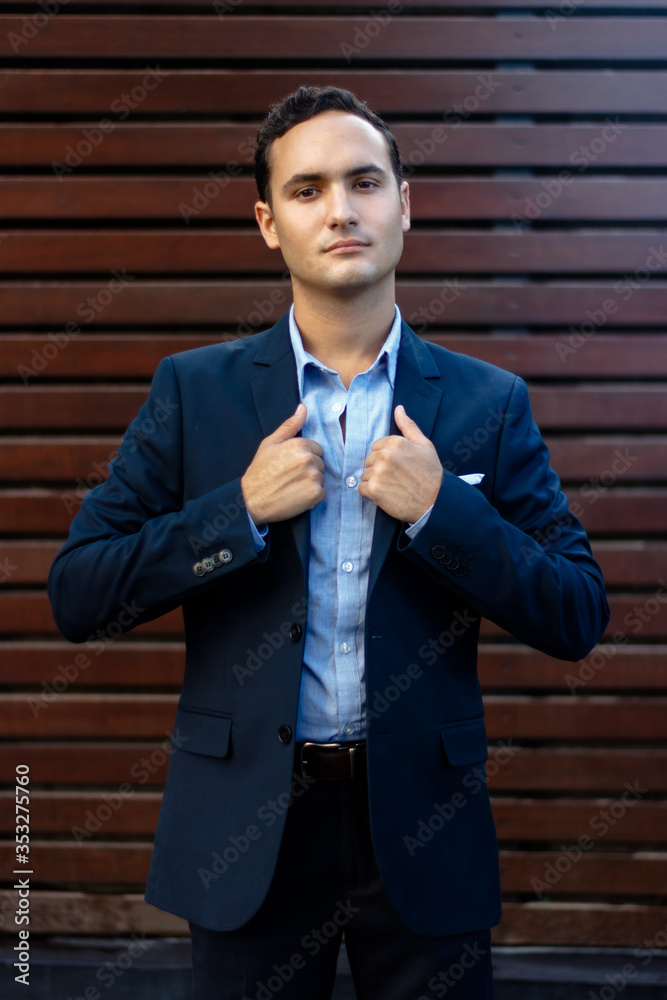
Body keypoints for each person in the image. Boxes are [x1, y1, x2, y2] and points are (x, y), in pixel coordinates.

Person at [48, 86, 610, 999]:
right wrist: (237, 511)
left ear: (404, 205)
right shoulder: (194, 392)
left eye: (364, 182)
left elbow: (577, 612)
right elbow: (78, 592)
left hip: (423, 828)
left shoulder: (489, 402)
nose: (341, 210)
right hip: (246, 832)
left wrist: (441, 511)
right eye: (307, 190)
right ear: (269, 224)